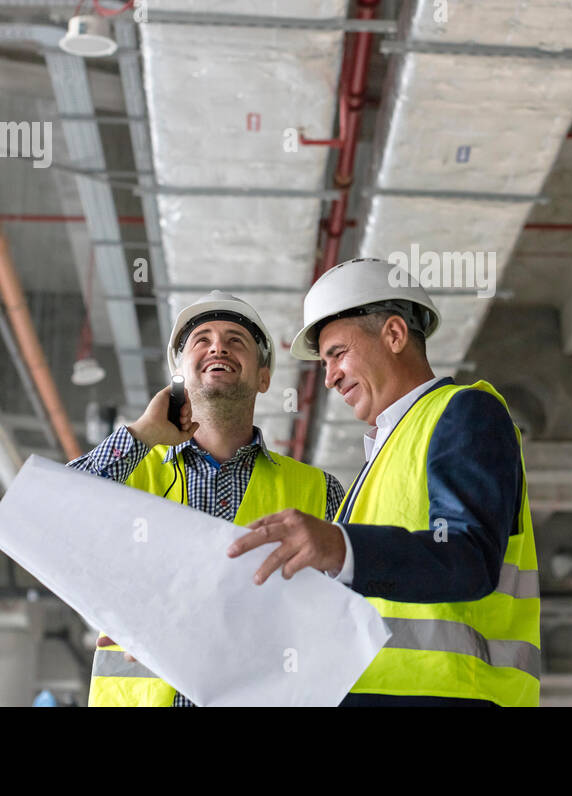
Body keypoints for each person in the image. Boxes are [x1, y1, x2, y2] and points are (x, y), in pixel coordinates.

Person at [227, 258, 539, 706]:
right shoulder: (382, 458)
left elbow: (470, 559)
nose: (330, 376)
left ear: (394, 335)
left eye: (337, 353)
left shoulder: (463, 413)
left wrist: (340, 546)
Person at [67, 291, 344, 706]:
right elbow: (51, 515)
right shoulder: (131, 470)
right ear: (178, 373)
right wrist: (141, 434)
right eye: (202, 339)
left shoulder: (320, 492)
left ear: (264, 378)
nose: (218, 346)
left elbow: (344, 621)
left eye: (236, 340)